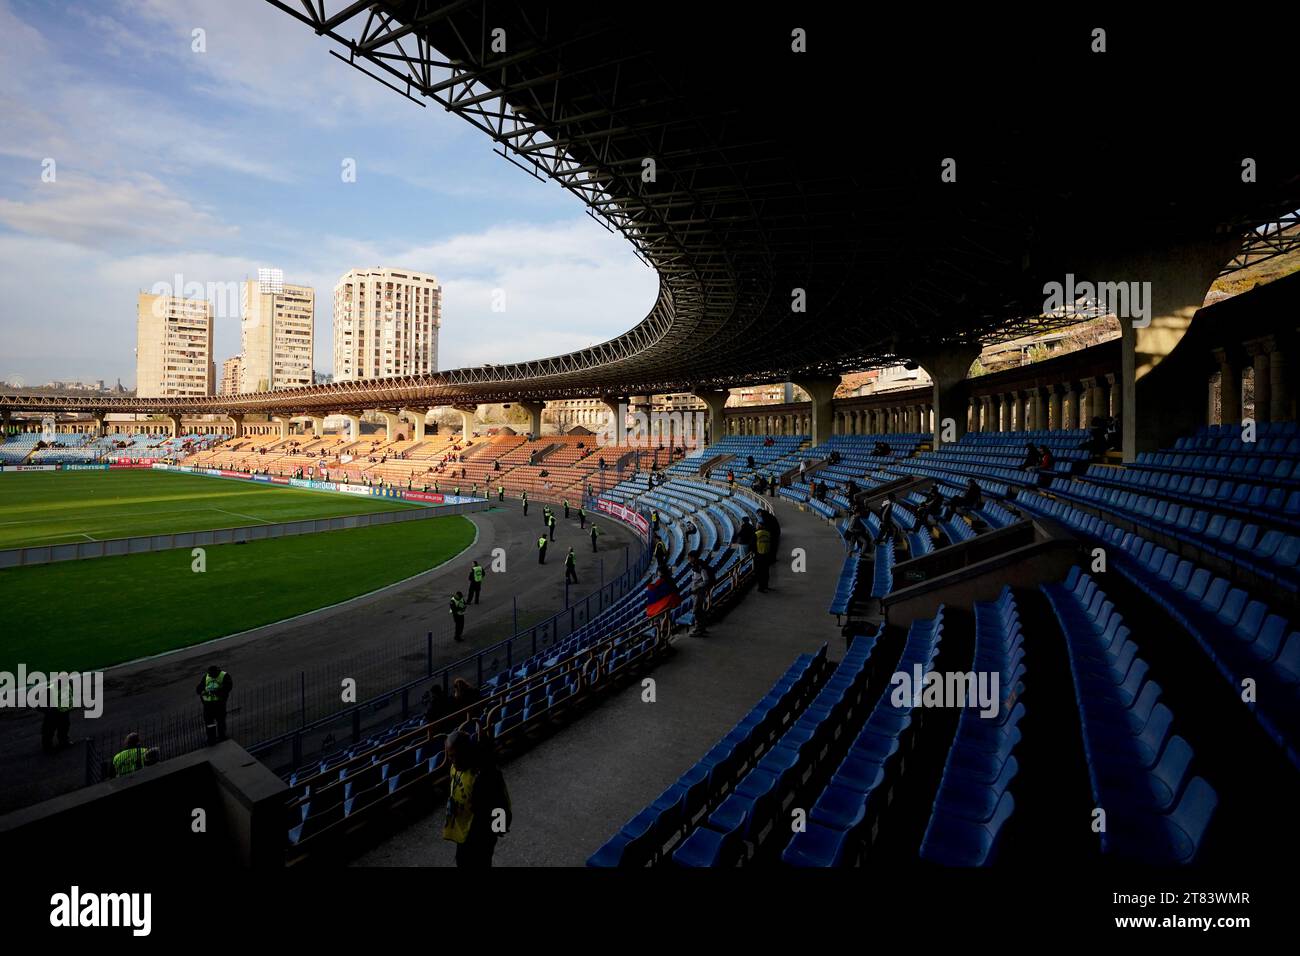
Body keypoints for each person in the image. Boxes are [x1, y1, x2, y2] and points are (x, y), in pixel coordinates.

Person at [442, 731, 511, 868]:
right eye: (450, 757)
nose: (453, 761)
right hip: (464, 830)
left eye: (455, 756)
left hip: (480, 833)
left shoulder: (484, 775)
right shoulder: (456, 767)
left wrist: (495, 832)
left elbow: (499, 805)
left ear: (466, 752)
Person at [196, 665, 233, 745]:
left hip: (219, 704)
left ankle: (222, 736)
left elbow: (228, 687)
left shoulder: (224, 675)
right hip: (208, 705)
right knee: (209, 723)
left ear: (217, 671)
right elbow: (199, 688)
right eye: (209, 674)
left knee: (221, 721)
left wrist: (215, 692)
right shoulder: (206, 676)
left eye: (212, 674)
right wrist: (202, 692)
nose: (211, 675)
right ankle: (211, 739)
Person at [687, 550, 715, 637]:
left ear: (693, 558)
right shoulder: (695, 566)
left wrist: (697, 587)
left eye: (689, 558)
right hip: (697, 591)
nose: (688, 559)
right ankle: (701, 628)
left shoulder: (701, 567)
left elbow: (706, 580)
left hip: (699, 592)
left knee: (696, 610)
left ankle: (698, 629)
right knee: (699, 610)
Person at [41, 679, 74, 753]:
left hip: (63, 711)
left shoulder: (69, 685)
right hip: (53, 714)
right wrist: (48, 711)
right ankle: (47, 747)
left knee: (64, 727)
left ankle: (63, 741)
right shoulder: (50, 690)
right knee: (49, 730)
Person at [754, 520, 773, 591]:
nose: (756, 526)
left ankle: (761, 587)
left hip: (759, 556)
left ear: (759, 526)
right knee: (766, 572)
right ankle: (766, 586)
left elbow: (752, 546)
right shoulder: (768, 533)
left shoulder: (756, 534)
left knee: (760, 573)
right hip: (767, 555)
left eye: (757, 524)